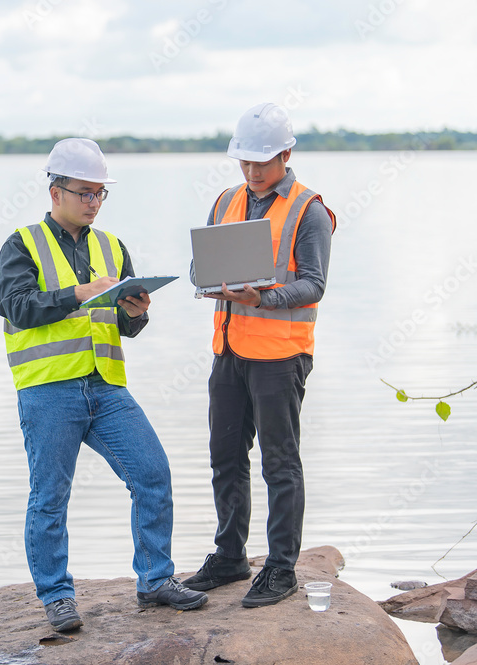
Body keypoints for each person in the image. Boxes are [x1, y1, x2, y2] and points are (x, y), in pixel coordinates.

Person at [0, 138, 207, 632]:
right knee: (50, 496)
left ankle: (155, 580)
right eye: (85, 192)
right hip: (49, 390)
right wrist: (76, 293)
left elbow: (124, 325)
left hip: (107, 387)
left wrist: (136, 313)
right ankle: (57, 596)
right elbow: (16, 307)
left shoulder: (113, 247)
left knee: (153, 474)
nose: (93, 201)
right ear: (56, 191)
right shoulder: (21, 244)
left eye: (99, 193)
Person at [183, 103, 336, 607]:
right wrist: (205, 282)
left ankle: (280, 568)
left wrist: (263, 297)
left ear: (286, 155)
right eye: (245, 162)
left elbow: (313, 284)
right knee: (225, 458)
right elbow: (197, 266)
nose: (251, 172)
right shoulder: (226, 199)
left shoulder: (308, 209)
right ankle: (230, 556)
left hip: (280, 357)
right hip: (228, 352)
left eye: (261, 163)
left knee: (279, 463)